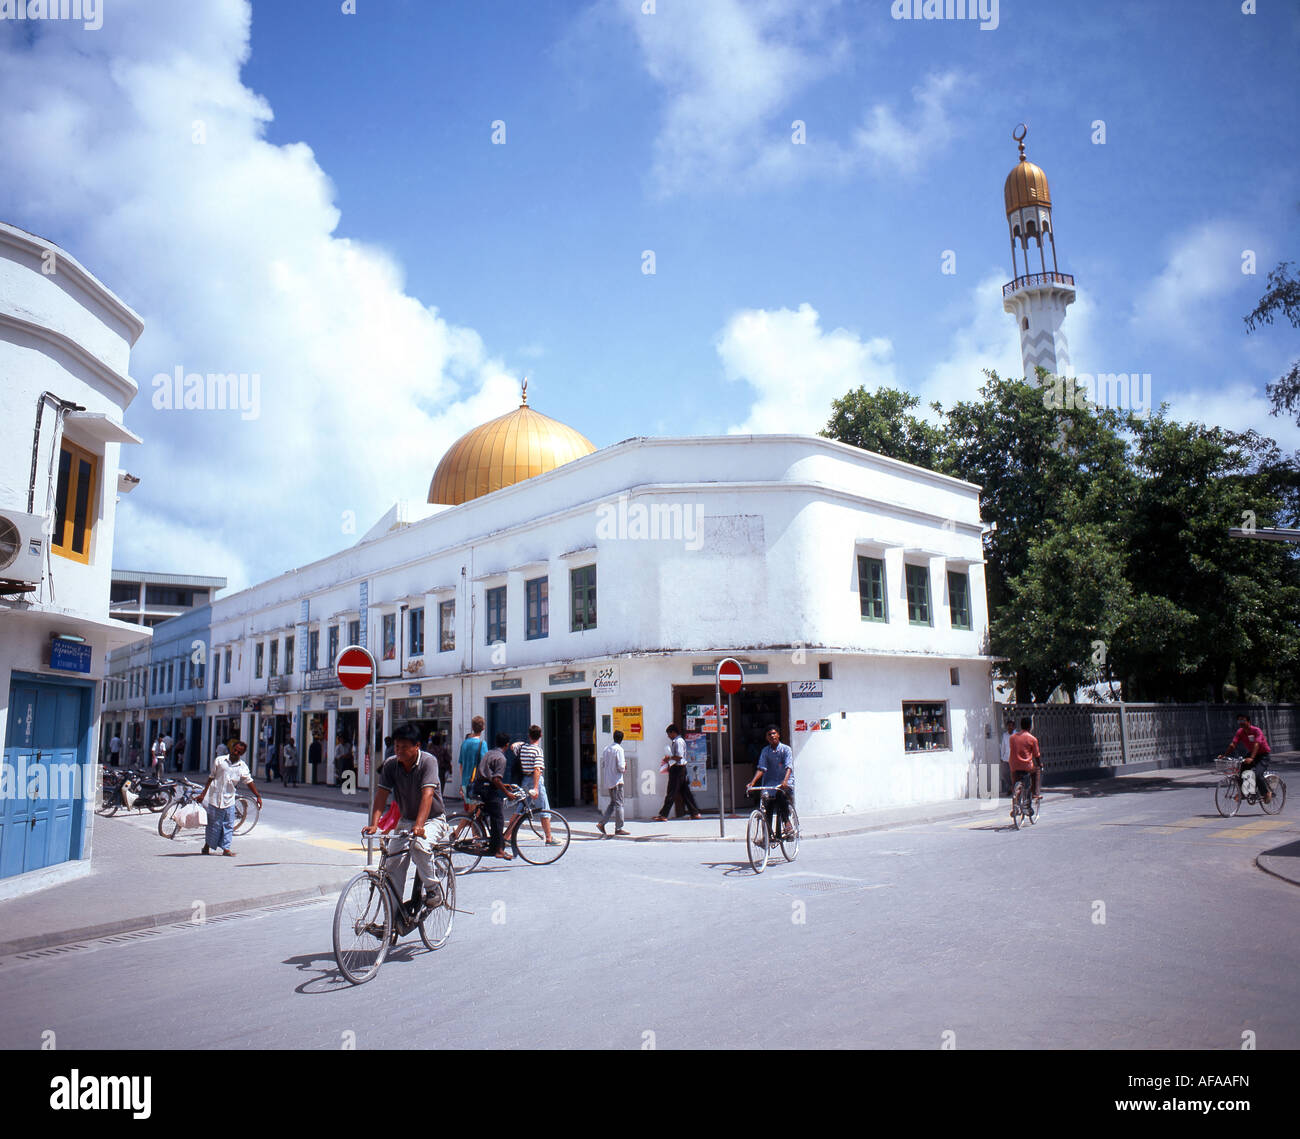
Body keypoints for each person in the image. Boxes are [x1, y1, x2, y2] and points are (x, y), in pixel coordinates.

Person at [362, 722, 449, 907]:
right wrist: (374, 824)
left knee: (419, 847)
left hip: (432, 819)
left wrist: (419, 825)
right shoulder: (391, 765)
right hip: (406, 820)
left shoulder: (428, 761)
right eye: (396, 746)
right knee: (392, 864)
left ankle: (433, 889)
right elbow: (381, 796)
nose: (399, 751)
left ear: (417, 746)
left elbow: (427, 795)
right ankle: (392, 920)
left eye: (404, 747)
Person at [195, 740, 262, 856]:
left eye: (238, 752)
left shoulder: (242, 767)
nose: (235, 752)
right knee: (213, 824)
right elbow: (210, 777)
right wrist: (203, 794)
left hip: (229, 799)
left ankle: (226, 849)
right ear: (231, 748)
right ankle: (206, 846)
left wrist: (258, 796)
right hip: (215, 797)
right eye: (234, 749)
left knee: (228, 824)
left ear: (241, 754)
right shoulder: (220, 761)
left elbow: (249, 781)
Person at [473, 732, 519, 860]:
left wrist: (505, 785)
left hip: (479, 786)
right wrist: (507, 793)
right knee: (498, 817)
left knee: (491, 813)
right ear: (507, 744)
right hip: (487, 789)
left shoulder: (489, 753)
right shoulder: (501, 758)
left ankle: (492, 844)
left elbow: (490, 776)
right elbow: (496, 779)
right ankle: (499, 849)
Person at [746, 725, 795, 842]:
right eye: (769, 734)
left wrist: (785, 781)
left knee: (780, 796)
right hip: (770, 783)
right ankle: (767, 834)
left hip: (785, 782)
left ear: (778, 735)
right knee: (766, 802)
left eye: (774, 733)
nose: (772, 736)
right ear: (766, 738)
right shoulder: (765, 751)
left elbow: (789, 767)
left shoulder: (786, 749)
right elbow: (762, 768)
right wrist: (752, 782)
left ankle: (787, 823)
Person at [514, 725, 557, 844]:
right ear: (541, 735)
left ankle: (507, 836)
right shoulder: (537, 750)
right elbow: (537, 769)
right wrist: (536, 788)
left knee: (520, 808)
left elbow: (513, 746)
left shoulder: (522, 748)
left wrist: (523, 742)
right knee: (544, 809)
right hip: (534, 781)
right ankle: (549, 837)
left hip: (524, 781)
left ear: (529, 735)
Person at [1218, 713, 1274, 804]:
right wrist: (1224, 755)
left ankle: (1266, 793)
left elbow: (1257, 744)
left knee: (1257, 775)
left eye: (1243, 720)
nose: (1241, 722)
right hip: (1251, 753)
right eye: (1239, 721)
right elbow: (1233, 744)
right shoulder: (1240, 732)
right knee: (1240, 771)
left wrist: (1252, 758)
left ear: (1248, 721)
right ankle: (1245, 792)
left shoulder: (1256, 731)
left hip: (1263, 755)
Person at [653, 724, 702, 821]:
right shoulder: (679, 741)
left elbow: (679, 756)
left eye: (669, 734)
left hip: (677, 769)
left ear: (673, 732)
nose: (668, 736)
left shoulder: (678, 742)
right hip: (680, 769)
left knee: (671, 792)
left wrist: (669, 758)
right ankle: (695, 812)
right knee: (685, 792)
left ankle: (663, 815)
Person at [1007, 716, 1042, 818]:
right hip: (1026, 766)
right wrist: (1040, 764)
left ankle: (1015, 806)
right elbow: (1037, 755)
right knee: (1037, 771)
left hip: (1013, 765)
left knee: (1016, 786)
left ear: (1021, 725)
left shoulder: (1012, 738)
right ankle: (1035, 793)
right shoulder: (1032, 739)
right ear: (1030, 726)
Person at [597, 730, 629, 836]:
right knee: (619, 804)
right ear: (622, 739)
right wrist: (624, 766)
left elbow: (604, 764)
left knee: (613, 803)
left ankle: (602, 823)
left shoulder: (607, 749)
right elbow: (620, 767)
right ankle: (619, 828)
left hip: (609, 779)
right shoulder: (619, 749)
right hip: (617, 780)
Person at [459, 716, 487, 804]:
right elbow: (485, 764)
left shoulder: (464, 743)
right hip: (476, 782)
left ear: (472, 727)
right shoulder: (482, 744)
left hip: (465, 781)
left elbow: (461, 765)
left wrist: (462, 781)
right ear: (483, 728)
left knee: (471, 810)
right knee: (474, 810)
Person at [431, 732, 453, 797]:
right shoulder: (443, 749)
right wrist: (450, 769)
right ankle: (440, 797)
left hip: (431, 770)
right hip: (441, 769)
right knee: (441, 785)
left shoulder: (429, 749)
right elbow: (448, 759)